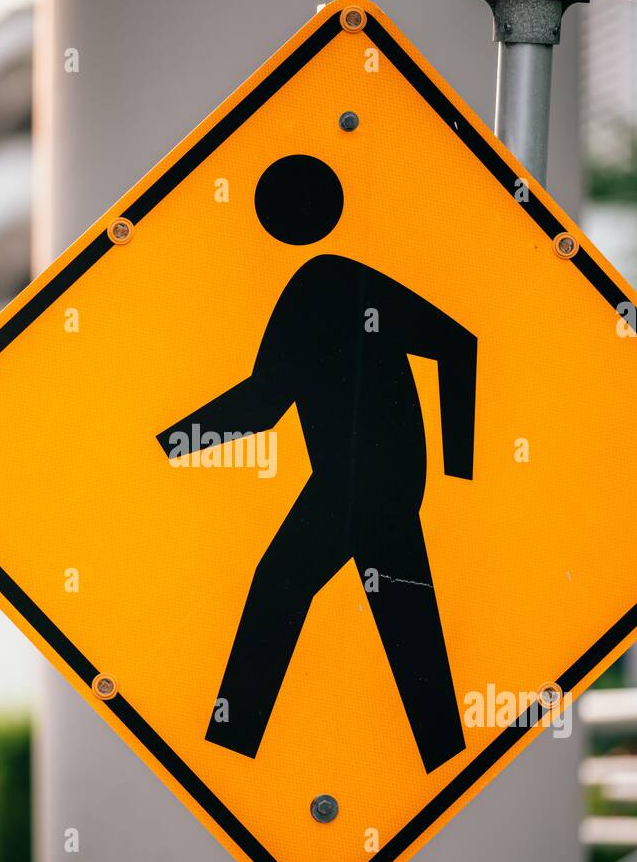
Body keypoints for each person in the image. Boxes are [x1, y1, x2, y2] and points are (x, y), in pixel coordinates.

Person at [157, 154, 477, 773]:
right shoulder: (316, 286)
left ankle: (232, 750)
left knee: (279, 587)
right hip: (360, 480)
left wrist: (460, 471)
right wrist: (171, 445)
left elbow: (458, 344)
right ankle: (442, 753)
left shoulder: (331, 281)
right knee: (399, 616)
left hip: (366, 481)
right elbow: (265, 404)